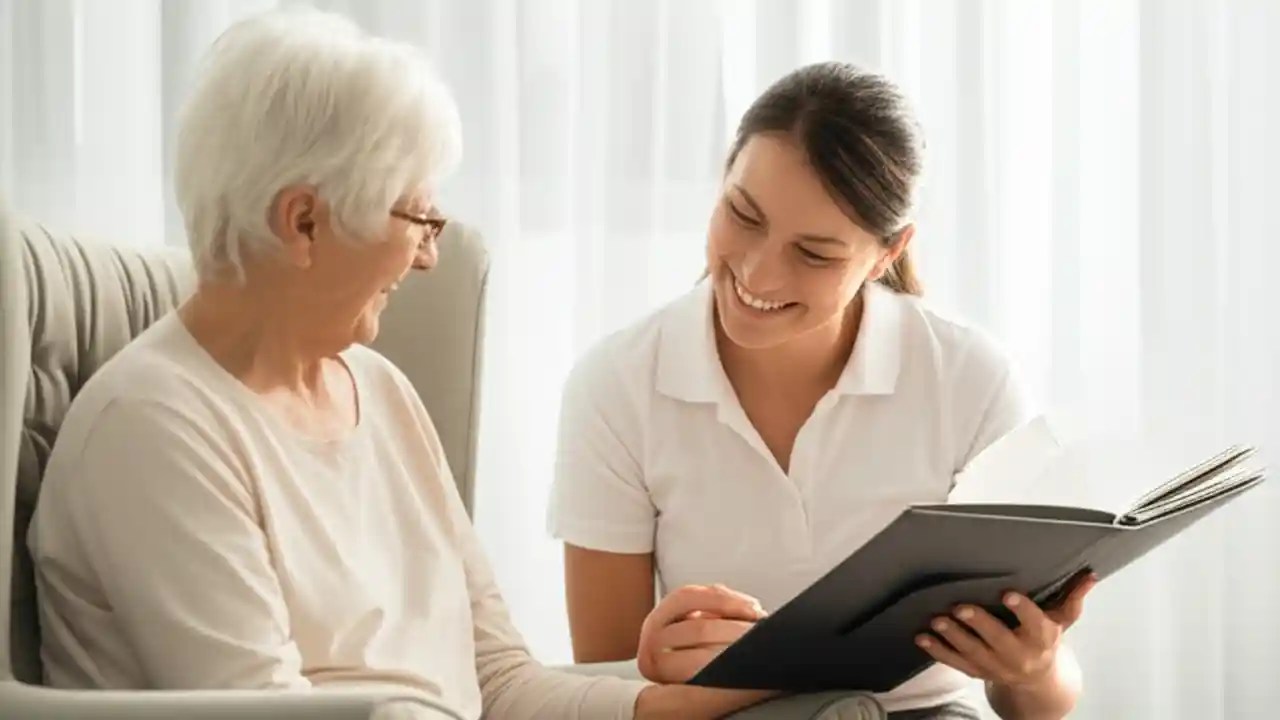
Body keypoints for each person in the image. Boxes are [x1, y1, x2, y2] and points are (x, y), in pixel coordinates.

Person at [26, 9, 776, 720]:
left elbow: (498, 683)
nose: (428, 255)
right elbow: (269, 711)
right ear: (304, 221)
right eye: (418, 217)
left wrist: (671, 705)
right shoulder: (154, 428)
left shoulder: (379, 390)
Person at [548, 62, 1096, 719]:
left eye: (813, 254)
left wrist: (1032, 670)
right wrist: (654, 667)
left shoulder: (969, 379)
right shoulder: (618, 384)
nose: (756, 271)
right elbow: (604, 691)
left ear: (887, 253)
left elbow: (1038, 705)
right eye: (743, 215)